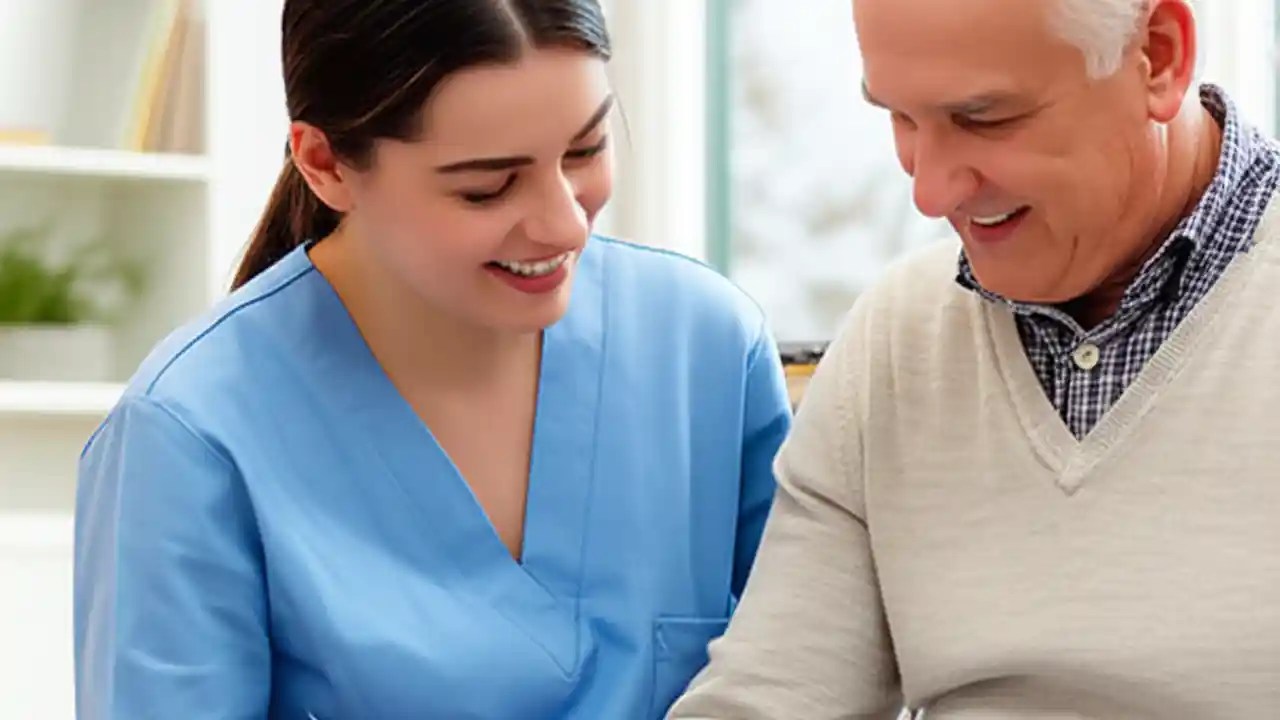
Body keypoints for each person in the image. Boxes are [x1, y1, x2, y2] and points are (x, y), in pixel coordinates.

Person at [72, 2, 791, 718]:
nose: (565, 221)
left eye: (585, 150)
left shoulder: (708, 352)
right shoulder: (189, 434)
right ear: (324, 165)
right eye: (486, 186)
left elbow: (813, 673)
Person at [670, 0, 1280, 717]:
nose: (930, 193)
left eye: (984, 119)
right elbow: (767, 699)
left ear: (1158, 54)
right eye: (899, 118)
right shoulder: (900, 337)